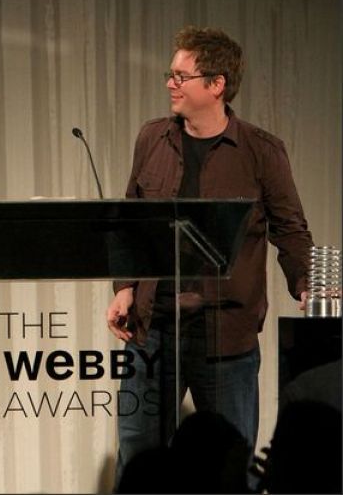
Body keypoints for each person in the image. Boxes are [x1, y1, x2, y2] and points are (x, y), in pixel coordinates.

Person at [105, 25, 313, 485]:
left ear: (216, 84)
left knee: (228, 464)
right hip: (152, 331)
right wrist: (124, 288)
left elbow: (291, 231)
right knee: (138, 457)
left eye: (180, 76)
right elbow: (129, 225)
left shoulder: (260, 152)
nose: (169, 84)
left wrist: (307, 286)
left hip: (226, 337)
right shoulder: (152, 139)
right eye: (170, 74)